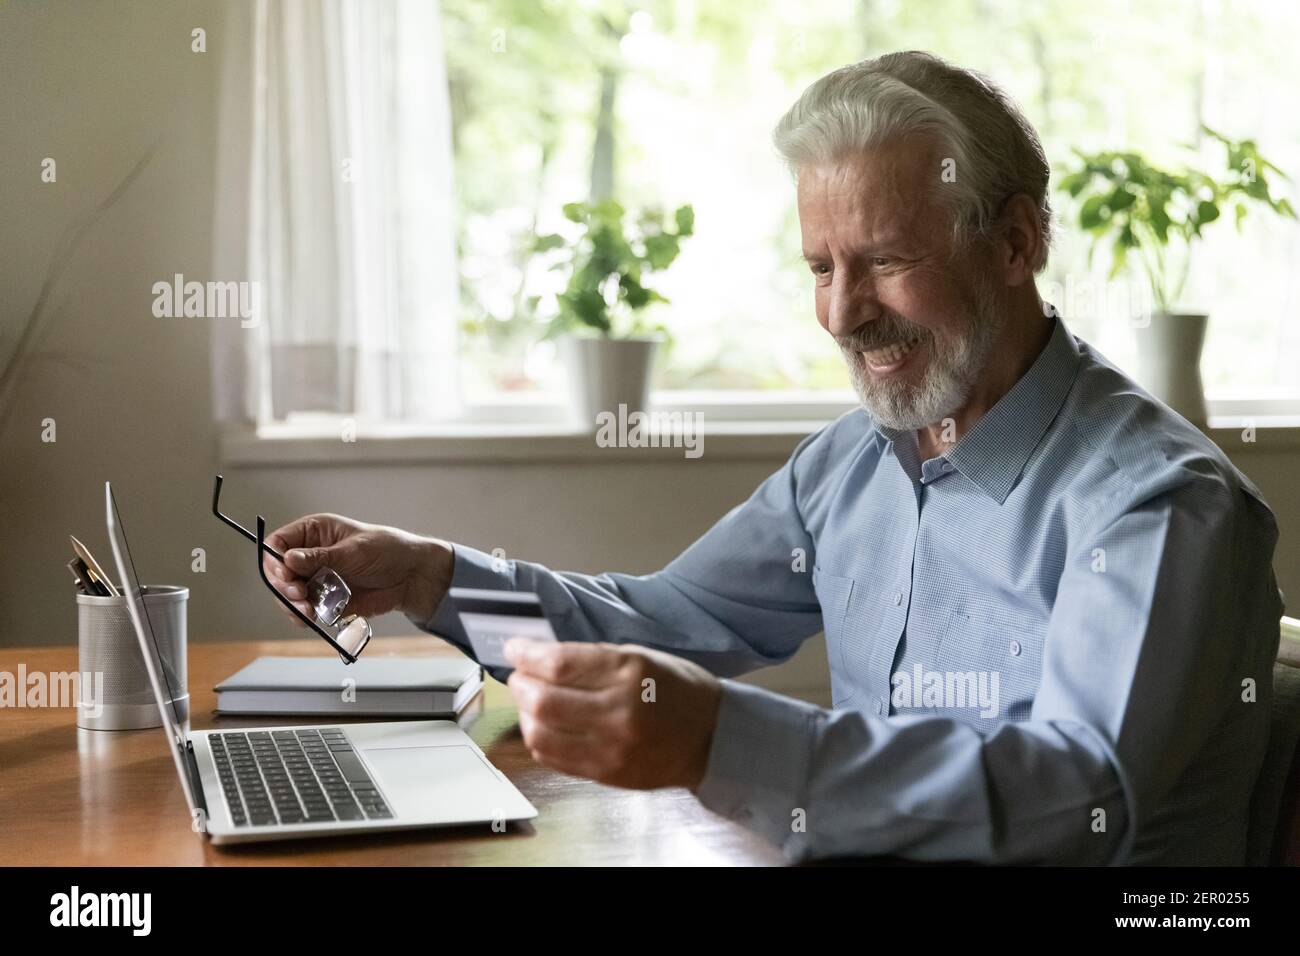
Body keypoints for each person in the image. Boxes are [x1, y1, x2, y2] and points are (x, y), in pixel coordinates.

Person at [265, 51, 1283, 864]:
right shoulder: (854, 463)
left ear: (1013, 243)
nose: (843, 311)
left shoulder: (1159, 503)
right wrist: (429, 576)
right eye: (821, 267)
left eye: (884, 259)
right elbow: (662, 621)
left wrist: (722, 739)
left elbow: (1077, 795)